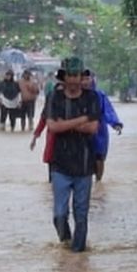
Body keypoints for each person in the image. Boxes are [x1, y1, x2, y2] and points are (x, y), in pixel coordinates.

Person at [47, 56, 101, 253]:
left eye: (76, 75)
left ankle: (77, 254)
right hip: (60, 164)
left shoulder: (92, 98)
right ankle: (66, 240)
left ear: (81, 77)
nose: (72, 80)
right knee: (59, 214)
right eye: (69, 75)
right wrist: (82, 119)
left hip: (84, 165)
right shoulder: (55, 97)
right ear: (64, 77)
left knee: (81, 214)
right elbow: (53, 126)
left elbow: (93, 127)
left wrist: (66, 124)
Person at [81, 70, 123, 182]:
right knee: (84, 159)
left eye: (87, 79)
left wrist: (115, 123)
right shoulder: (76, 95)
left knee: (99, 158)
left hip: (99, 132)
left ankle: (99, 184)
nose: (85, 82)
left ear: (92, 79)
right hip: (82, 131)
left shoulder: (99, 95)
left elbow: (108, 111)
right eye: (82, 79)